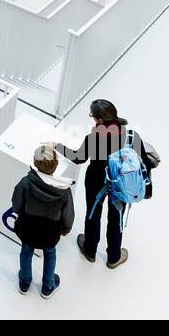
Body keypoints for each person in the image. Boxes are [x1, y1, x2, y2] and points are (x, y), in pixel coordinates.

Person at [53, 100, 157, 270]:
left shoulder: (93, 138)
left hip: (96, 181)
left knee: (93, 214)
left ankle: (90, 250)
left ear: (100, 121)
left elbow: (78, 158)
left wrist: (57, 146)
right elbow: (145, 165)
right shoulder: (132, 136)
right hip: (121, 186)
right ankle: (114, 257)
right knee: (116, 218)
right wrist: (148, 189)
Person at [10, 145, 75, 299]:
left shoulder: (26, 182)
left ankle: (24, 282)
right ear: (57, 164)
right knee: (50, 254)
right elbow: (68, 213)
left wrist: (20, 213)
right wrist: (66, 228)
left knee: (26, 250)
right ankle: (48, 285)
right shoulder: (64, 191)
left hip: (28, 227)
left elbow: (16, 203)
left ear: (34, 161)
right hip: (50, 232)